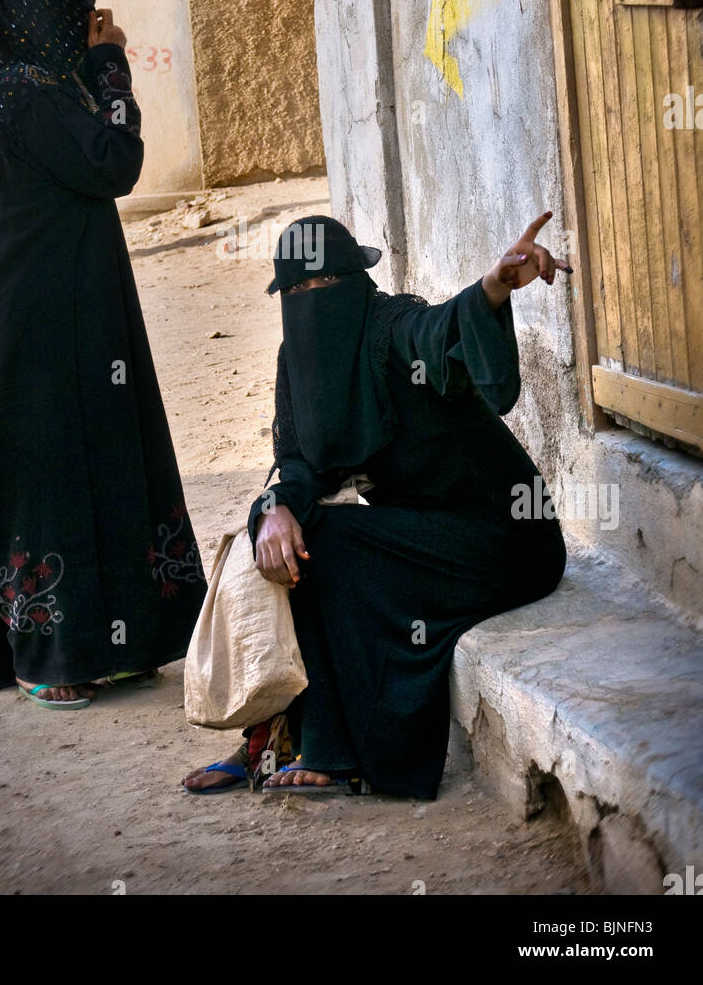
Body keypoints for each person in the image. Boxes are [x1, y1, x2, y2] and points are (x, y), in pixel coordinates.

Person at [183, 212, 567, 794]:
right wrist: (273, 509)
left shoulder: (393, 328)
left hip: (506, 536)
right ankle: (279, 739)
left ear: (356, 280)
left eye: (326, 283)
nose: (311, 299)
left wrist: (493, 286)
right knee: (293, 543)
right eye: (295, 289)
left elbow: (440, 330)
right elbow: (297, 464)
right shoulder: (299, 363)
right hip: (423, 533)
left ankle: (338, 752)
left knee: (330, 549)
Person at [0, 0, 206, 710]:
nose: (89, 28)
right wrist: (111, 65)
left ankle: (115, 644)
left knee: (91, 466)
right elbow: (117, 163)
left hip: (43, 322)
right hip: (44, 328)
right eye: (81, 14)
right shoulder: (33, 97)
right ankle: (52, 657)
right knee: (59, 479)